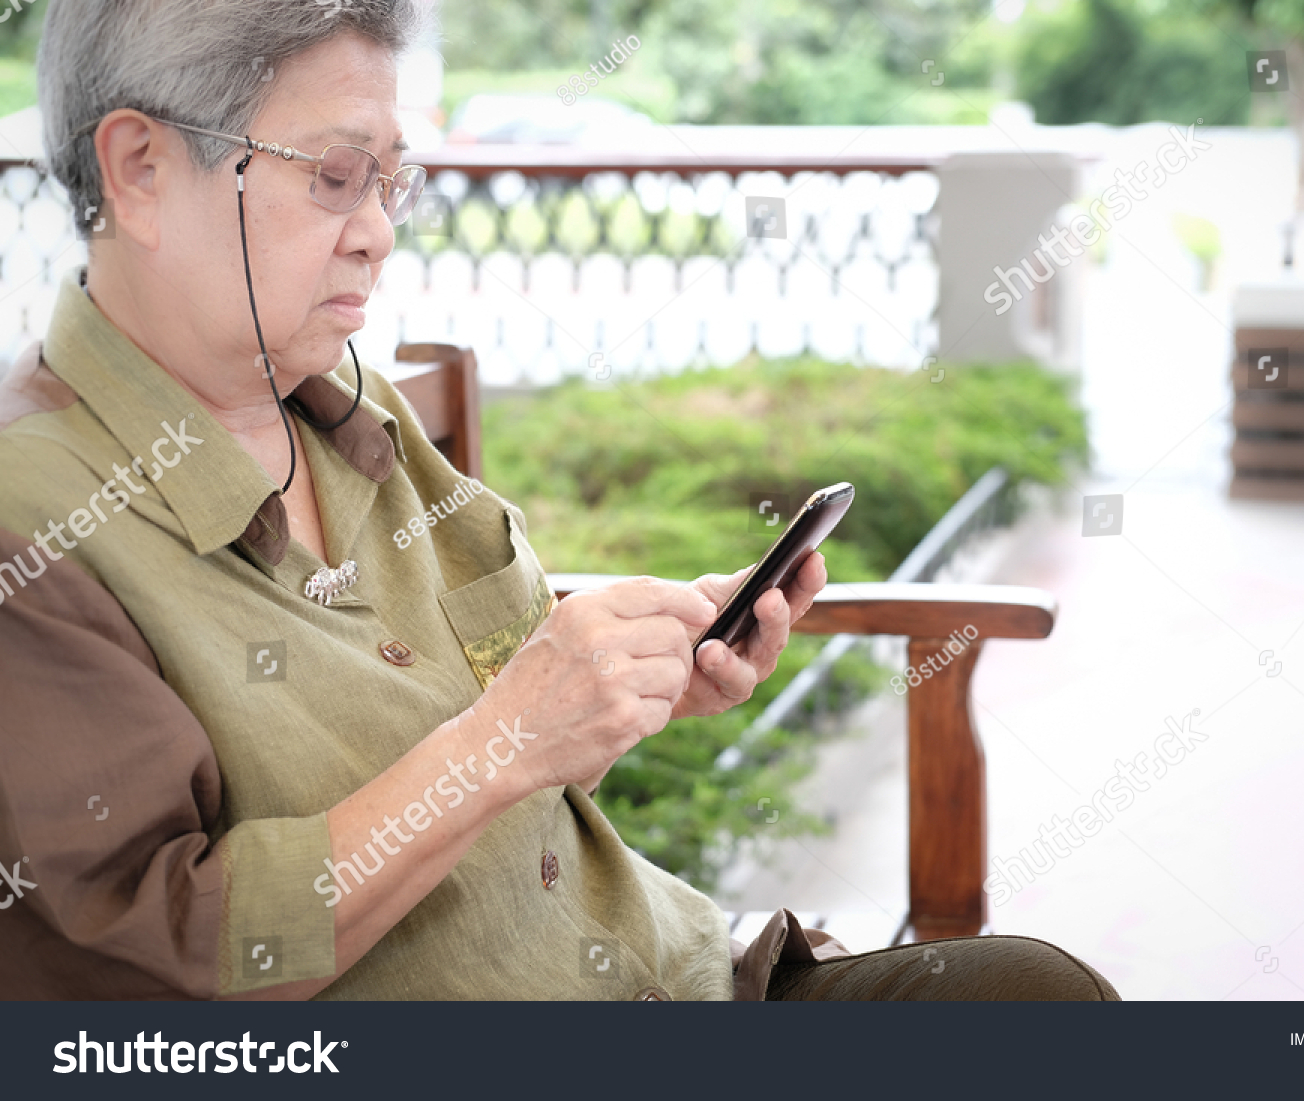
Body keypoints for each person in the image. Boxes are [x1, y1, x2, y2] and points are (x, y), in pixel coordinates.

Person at [0, 0, 1119, 1002]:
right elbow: (160, 968)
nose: (379, 231)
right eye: (335, 175)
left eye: (392, 181)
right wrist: (508, 738)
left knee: (1033, 997)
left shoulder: (349, 409)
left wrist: (632, 689)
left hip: (683, 974)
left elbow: (523, 757)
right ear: (141, 169)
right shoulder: (37, 527)